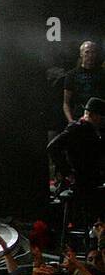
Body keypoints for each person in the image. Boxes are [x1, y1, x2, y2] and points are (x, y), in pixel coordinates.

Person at [48, 96, 104, 228]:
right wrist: (67, 172)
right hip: (82, 182)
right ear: (93, 115)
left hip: (93, 179)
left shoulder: (95, 131)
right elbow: (52, 147)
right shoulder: (76, 129)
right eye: (101, 117)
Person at [63, 41, 105, 125]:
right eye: (87, 52)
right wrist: (71, 121)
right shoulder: (72, 75)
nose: (90, 55)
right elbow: (66, 102)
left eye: (93, 52)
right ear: (81, 54)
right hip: (79, 119)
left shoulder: (102, 74)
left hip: (99, 119)